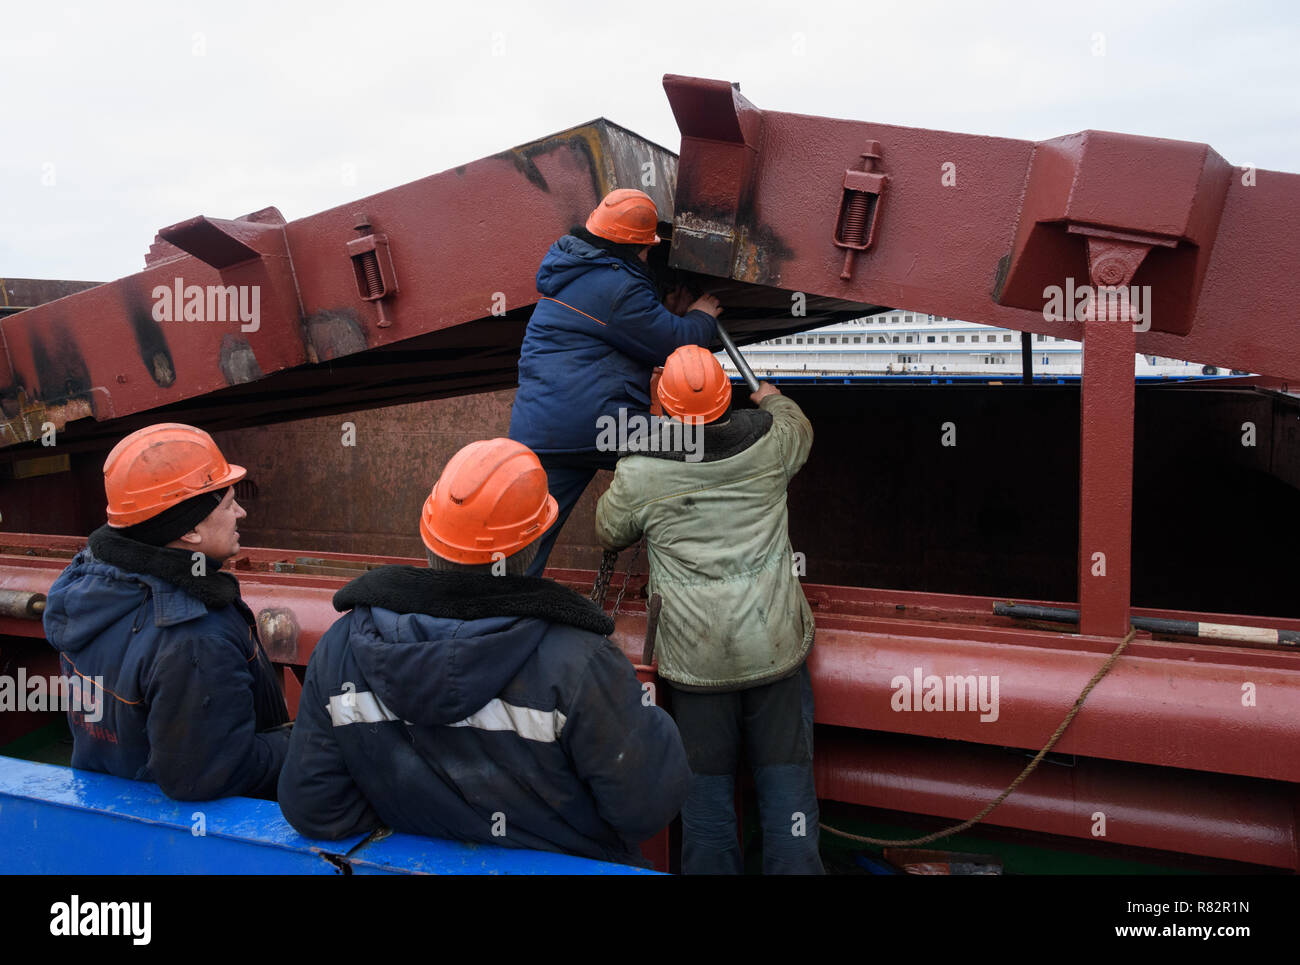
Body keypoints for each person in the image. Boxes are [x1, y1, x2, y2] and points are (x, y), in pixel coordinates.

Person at [277, 437, 692, 866]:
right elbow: (647, 807)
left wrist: (420, 824)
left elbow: (315, 807)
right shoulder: (580, 661)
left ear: (430, 534)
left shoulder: (342, 647)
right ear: (534, 545)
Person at [594, 346, 823, 874]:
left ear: (665, 407)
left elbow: (609, 529)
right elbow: (799, 429)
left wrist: (650, 434)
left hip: (697, 665)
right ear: (725, 399)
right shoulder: (772, 442)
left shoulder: (642, 468)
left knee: (708, 807)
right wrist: (773, 398)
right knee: (788, 794)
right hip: (776, 650)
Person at [42, 423, 290, 800]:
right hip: (195, 842)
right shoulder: (195, 637)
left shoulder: (88, 589)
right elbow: (211, 774)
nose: (240, 512)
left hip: (110, 811)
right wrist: (306, 741)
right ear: (188, 532)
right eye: (227, 503)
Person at [508, 187, 723, 575]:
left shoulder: (575, 273)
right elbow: (675, 345)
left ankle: (505, 606)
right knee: (701, 447)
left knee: (525, 543)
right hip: (602, 426)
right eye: (647, 248)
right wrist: (701, 316)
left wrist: (664, 314)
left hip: (544, 433)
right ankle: (695, 575)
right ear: (634, 248)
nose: (648, 255)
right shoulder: (617, 286)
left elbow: (626, 333)